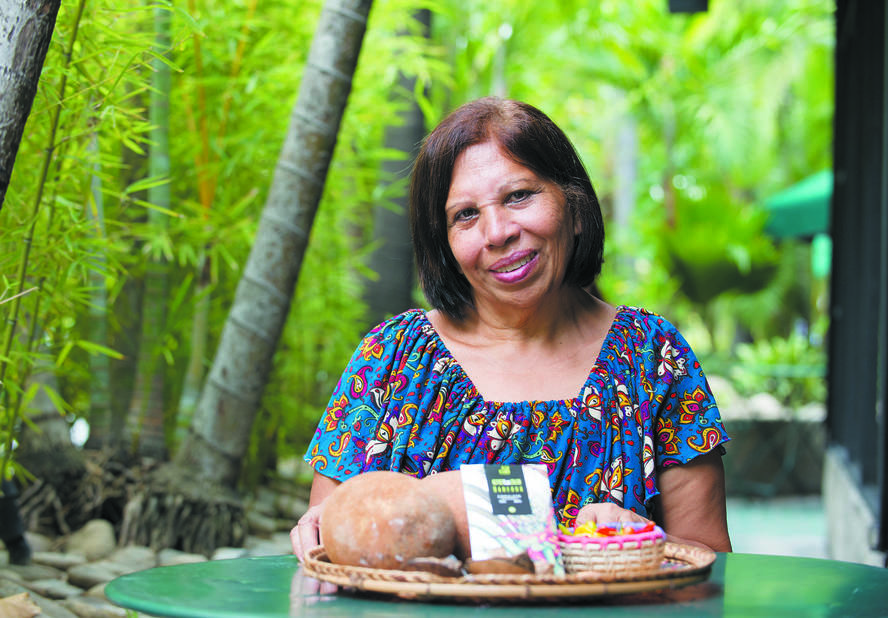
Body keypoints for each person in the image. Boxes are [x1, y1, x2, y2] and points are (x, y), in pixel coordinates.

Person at [290, 97, 732, 561]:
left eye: (519, 195)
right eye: (465, 214)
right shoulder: (391, 360)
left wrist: (641, 539)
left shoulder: (652, 357)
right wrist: (319, 531)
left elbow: (712, 563)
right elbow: (331, 553)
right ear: (444, 244)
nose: (498, 232)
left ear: (576, 207)